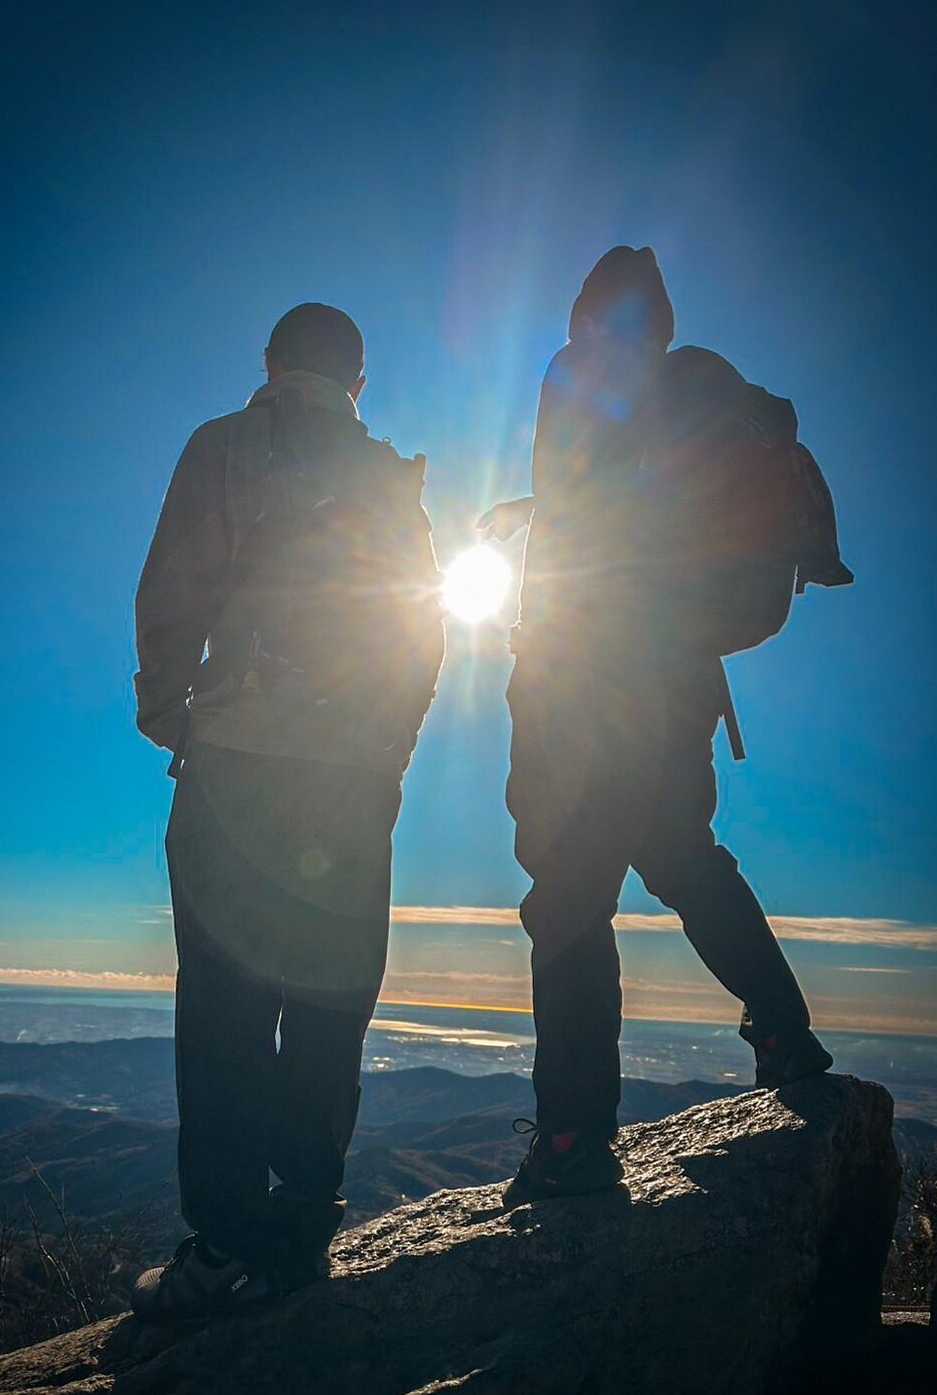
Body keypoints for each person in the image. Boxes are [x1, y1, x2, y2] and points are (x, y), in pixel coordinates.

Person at [479, 248, 844, 1211]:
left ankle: (571, 1138)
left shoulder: (579, 370)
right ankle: (785, 1037)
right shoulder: (704, 386)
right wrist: (537, 513)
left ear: (586, 315)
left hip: (589, 677)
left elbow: (590, 524)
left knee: (567, 892)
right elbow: (630, 514)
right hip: (680, 680)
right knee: (683, 856)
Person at [131, 303, 444, 1321]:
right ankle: (303, 1231)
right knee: (327, 999)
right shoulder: (391, 480)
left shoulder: (223, 446)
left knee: (223, 1002)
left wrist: (169, 705)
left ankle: (223, 1248)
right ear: (359, 382)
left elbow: (171, 588)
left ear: (269, 363)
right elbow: (423, 630)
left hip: (238, 758)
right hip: (351, 777)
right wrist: (385, 755)